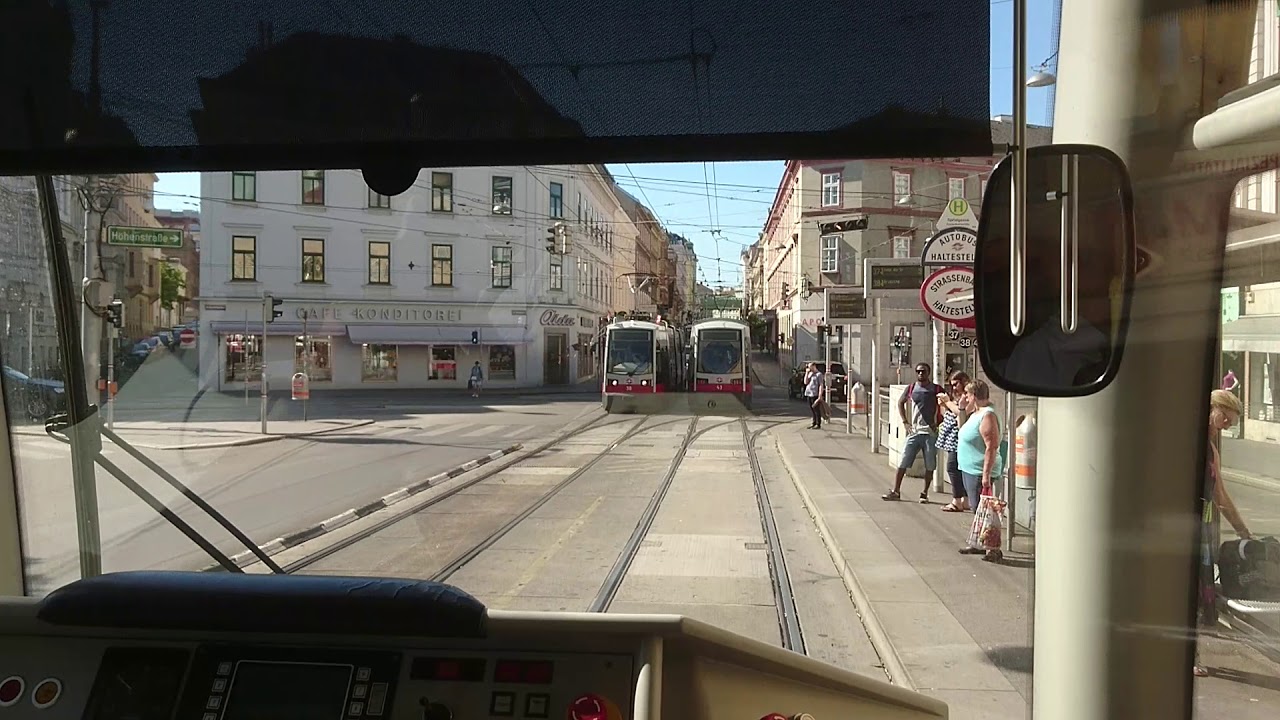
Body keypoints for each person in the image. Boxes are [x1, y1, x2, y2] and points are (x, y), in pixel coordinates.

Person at [1194, 389, 1251, 678]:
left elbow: (1220, 495)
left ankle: (1192, 653)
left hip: (1200, 527)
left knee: (1193, 590)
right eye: (1226, 418)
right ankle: (1190, 654)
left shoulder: (1210, 447)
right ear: (1214, 407)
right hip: (1189, 527)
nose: (1227, 425)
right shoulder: (1193, 440)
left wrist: (1242, 529)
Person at [882, 363, 945, 503]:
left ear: (928, 372)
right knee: (903, 461)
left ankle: (924, 493)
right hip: (915, 432)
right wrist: (905, 422)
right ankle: (896, 491)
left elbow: (946, 404)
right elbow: (900, 402)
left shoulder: (936, 389)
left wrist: (939, 422)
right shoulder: (911, 388)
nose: (921, 374)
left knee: (930, 465)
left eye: (923, 371)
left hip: (930, 433)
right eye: (918, 371)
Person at [955, 380, 1004, 559]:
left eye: (967, 395)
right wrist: (961, 409)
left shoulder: (987, 415)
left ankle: (993, 548)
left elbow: (991, 445)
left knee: (985, 510)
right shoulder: (976, 413)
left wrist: (986, 474)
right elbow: (962, 429)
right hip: (969, 468)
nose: (965, 398)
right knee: (977, 509)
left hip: (979, 470)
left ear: (974, 396)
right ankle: (979, 543)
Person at [936, 370, 972, 512]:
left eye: (956, 384)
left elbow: (960, 412)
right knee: (957, 469)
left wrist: (947, 402)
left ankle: (957, 500)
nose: (954, 388)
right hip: (952, 438)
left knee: (952, 468)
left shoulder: (968, 397)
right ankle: (964, 500)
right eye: (952, 385)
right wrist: (945, 405)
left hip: (959, 439)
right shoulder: (958, 397)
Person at [803, 362, 825, 429]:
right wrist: (807, 373)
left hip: (815, 394)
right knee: (812, 409)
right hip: (809, 393)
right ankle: (814, 422)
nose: (809, 368)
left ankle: (818, 424)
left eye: (810, 367)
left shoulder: (819, 374)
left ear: (814, 366)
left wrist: (820, 395)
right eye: (808, 367)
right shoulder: (810, 374)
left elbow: (821, 385)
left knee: (816, 409)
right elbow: (805, 382)